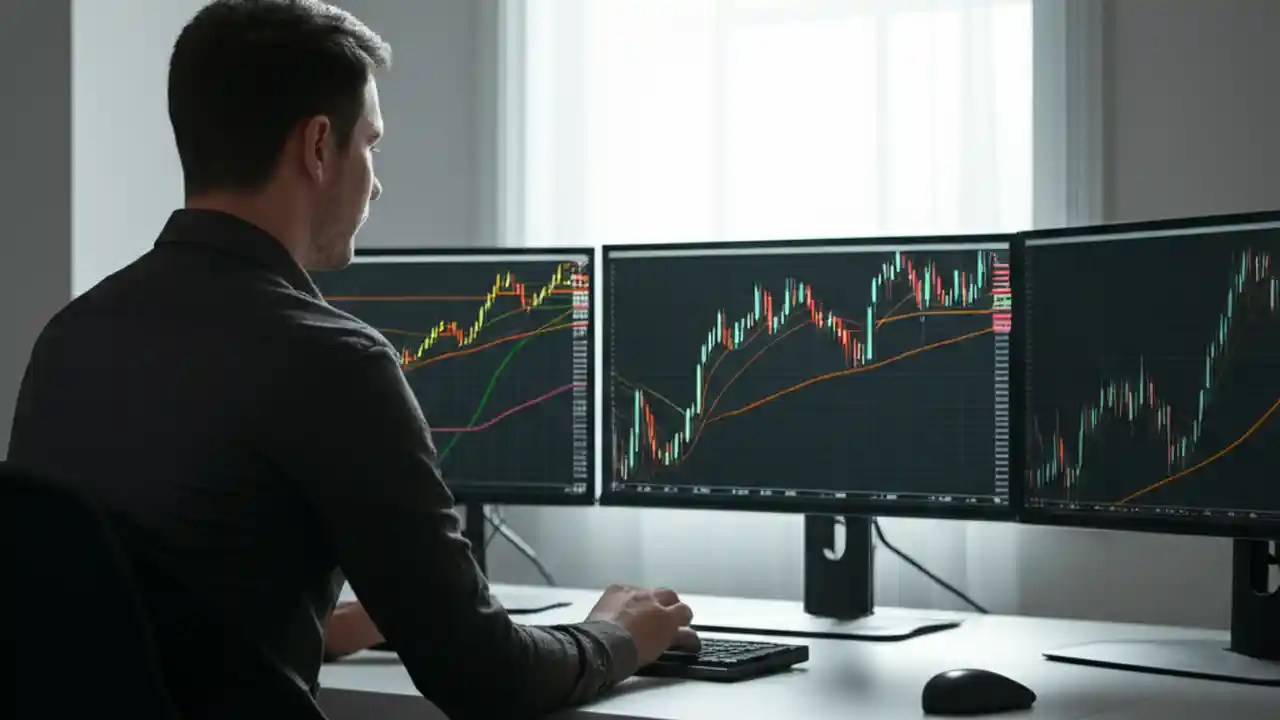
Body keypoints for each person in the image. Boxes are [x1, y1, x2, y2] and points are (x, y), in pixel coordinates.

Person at [6, 0, 697, 717]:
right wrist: (614, 635)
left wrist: (342, 624)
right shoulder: (331, 360)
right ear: (316, 147)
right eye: (370, 143)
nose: (375, 180)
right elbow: (487, 678)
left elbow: (141, 613)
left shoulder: (69, 338)